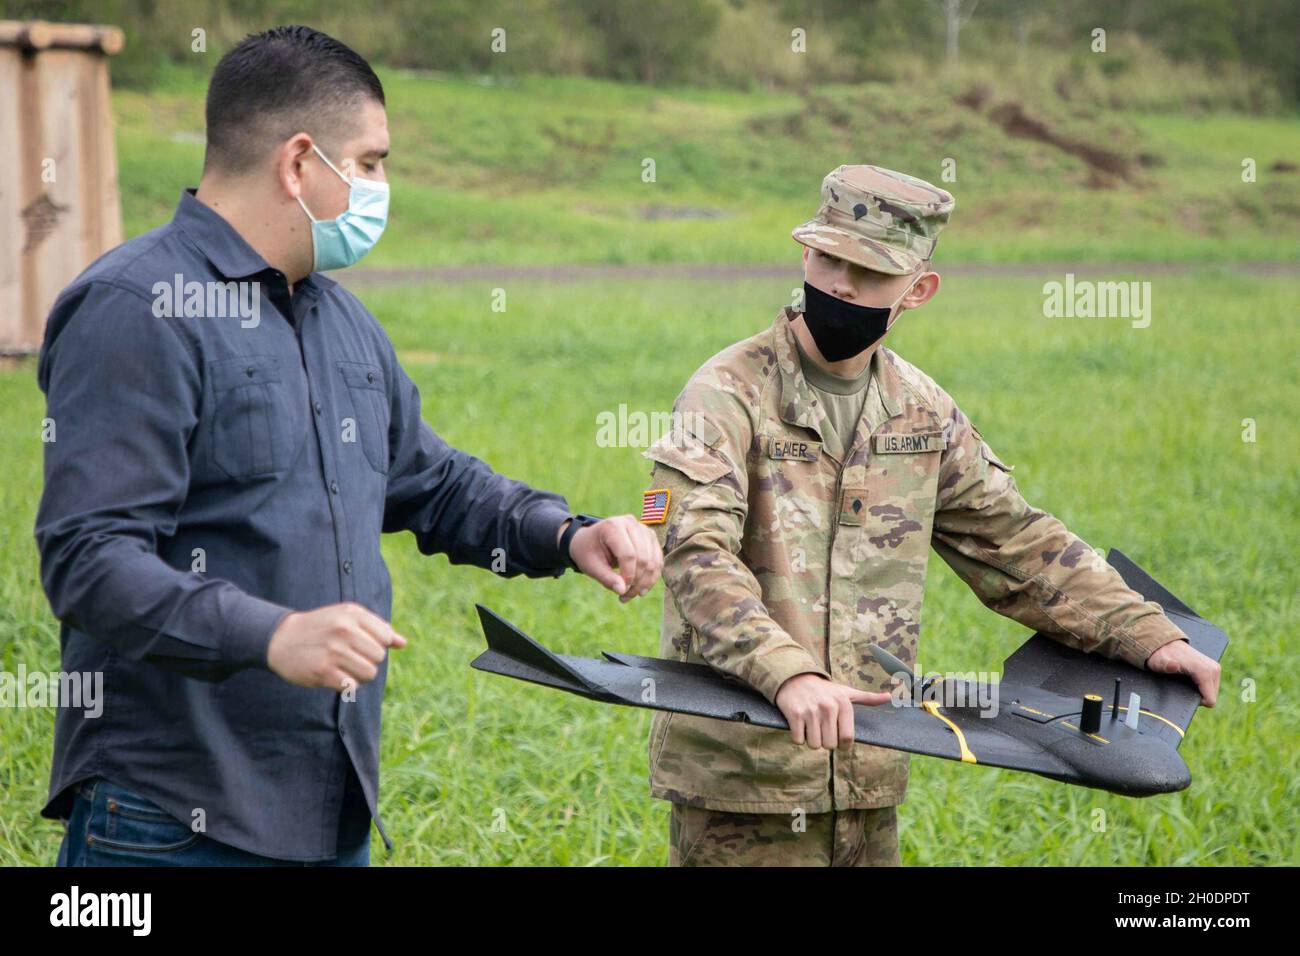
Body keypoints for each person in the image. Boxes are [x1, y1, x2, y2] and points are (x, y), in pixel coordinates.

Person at [35, 25, 662, 866]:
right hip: (169, 819)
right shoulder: (138, 307)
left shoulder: (339, 320)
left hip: (326, 811)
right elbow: (88, 558)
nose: (379, 187)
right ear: (299, 164)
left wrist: (566, 534)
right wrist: (269, 635)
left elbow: (431, 484)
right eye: (369, 163)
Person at [639, 164, 1221, 866]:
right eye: (828, 258)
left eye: (870, 273)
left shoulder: (921, 410)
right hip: (743, 772)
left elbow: (1013, 540)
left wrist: (1143, 633)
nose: (841, 286)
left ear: (919, 290)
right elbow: (695, 553)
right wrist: (787, 672)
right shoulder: (726, 394)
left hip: (871, 763)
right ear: (804, 253)